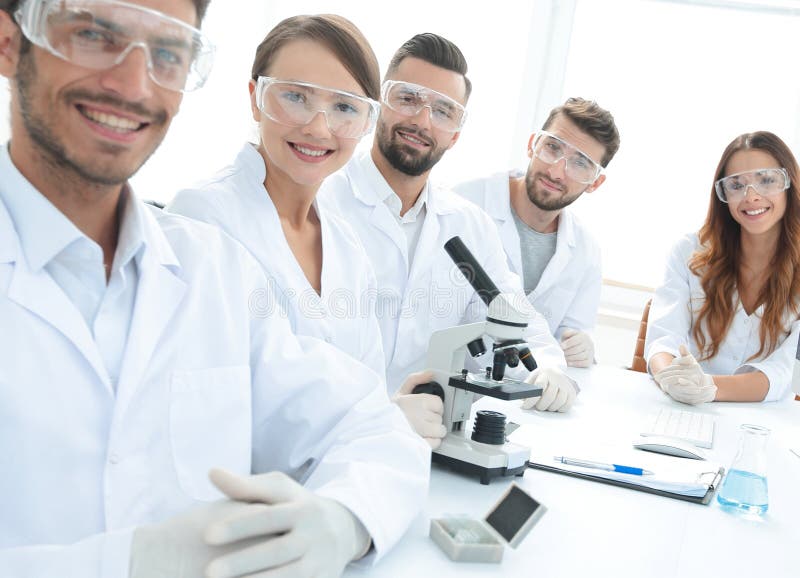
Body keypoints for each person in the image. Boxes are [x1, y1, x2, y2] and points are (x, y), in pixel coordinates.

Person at [0, 1, 429, 577]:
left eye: (168, 51)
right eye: (94, 34)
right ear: (9, 41)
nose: (132, 84)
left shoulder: (212, 269)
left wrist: (346, 517)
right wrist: (127, 563)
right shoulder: (214, 218)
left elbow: (372, 426)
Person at [320, 33, 576, 449]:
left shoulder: (469, 225)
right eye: (408, 98)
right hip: (328, 438)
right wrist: (378, 415)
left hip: (429, 444)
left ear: (455, 133)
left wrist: (547, 367)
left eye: (443, 111)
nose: (423, 121)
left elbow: (512, 313)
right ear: (378, 104)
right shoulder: (320, 200)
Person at [168, 15, 385, 378]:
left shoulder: (348, 247)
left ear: (367, 122)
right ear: (256, 100)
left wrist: (395, 406)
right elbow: (199, 385)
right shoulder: (200, 219)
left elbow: (370, 383)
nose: (318, 128)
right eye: (296, 97)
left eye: (344, 107)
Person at [455, 97, 620, 368]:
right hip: (444, 380)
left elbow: (572, 333)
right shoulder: (464, 203)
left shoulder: (586, 250)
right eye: (552, 147)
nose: (556, 172)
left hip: (529, 388)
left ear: (595, 182)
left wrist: (581, 346)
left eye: (580, 163)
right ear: (533, 144)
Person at [646, 131, 800, 404]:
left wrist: (708, 386)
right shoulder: (689, 253)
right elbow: (663, 340)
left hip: (764, 420)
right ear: (723, 195)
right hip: (685, 409)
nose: (751, 196)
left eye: (766, 180)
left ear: (789, 184)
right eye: (736, 185)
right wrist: (672, 378)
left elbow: (786, 372)